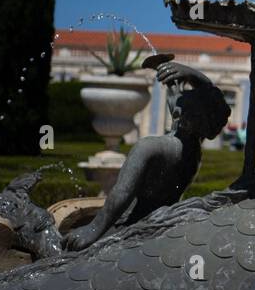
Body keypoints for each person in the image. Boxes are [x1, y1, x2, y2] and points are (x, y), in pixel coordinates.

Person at [63, 61, 229, 250]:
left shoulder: (150, 147)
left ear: (179, 113)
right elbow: (210, 98)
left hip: (125, 228)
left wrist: (92, 230)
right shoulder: (194, 149)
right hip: (159, 226)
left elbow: (121, 194)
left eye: (182, 101)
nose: (175, 96)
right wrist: (190, 74)